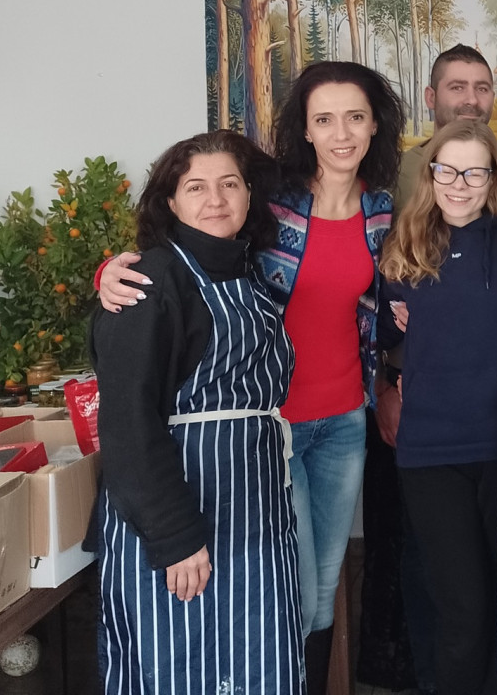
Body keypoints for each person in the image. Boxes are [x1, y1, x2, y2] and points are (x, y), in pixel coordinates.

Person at [99, 61, 404, 695]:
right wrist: (111, 272)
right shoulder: (266, 204)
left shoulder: (382, 211)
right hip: (273, 430)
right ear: (306, 130)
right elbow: (186, 254)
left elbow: (383, 306)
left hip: (343, 421)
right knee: (277, 596)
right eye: (324, 119)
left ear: (376, 125)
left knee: (320, 592)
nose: (341, 133)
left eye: (355, 117)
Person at [93, 130, 301, 695]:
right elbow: (129, 422)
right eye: (196, 187)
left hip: (253, 513)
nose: (216, 199)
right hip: (181, 516)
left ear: (250, 195)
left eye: (230, 184)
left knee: (260, 662)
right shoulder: (150, 280)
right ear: (171, 202)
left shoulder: (248, 272)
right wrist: (175, 536)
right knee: (184, 669)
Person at [378, 118, 497, 695]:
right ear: (430, 173)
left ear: (492, 177)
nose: (460, 183)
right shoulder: (402, 246)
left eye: (474, 171)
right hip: (430, 453)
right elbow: (381, 339)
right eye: (448, 169)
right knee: (462, 610)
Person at [396, 44, 497, 217]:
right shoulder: (397, 172)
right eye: (457, 88)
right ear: (431, 97)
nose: (472, 100)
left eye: (482, 89)